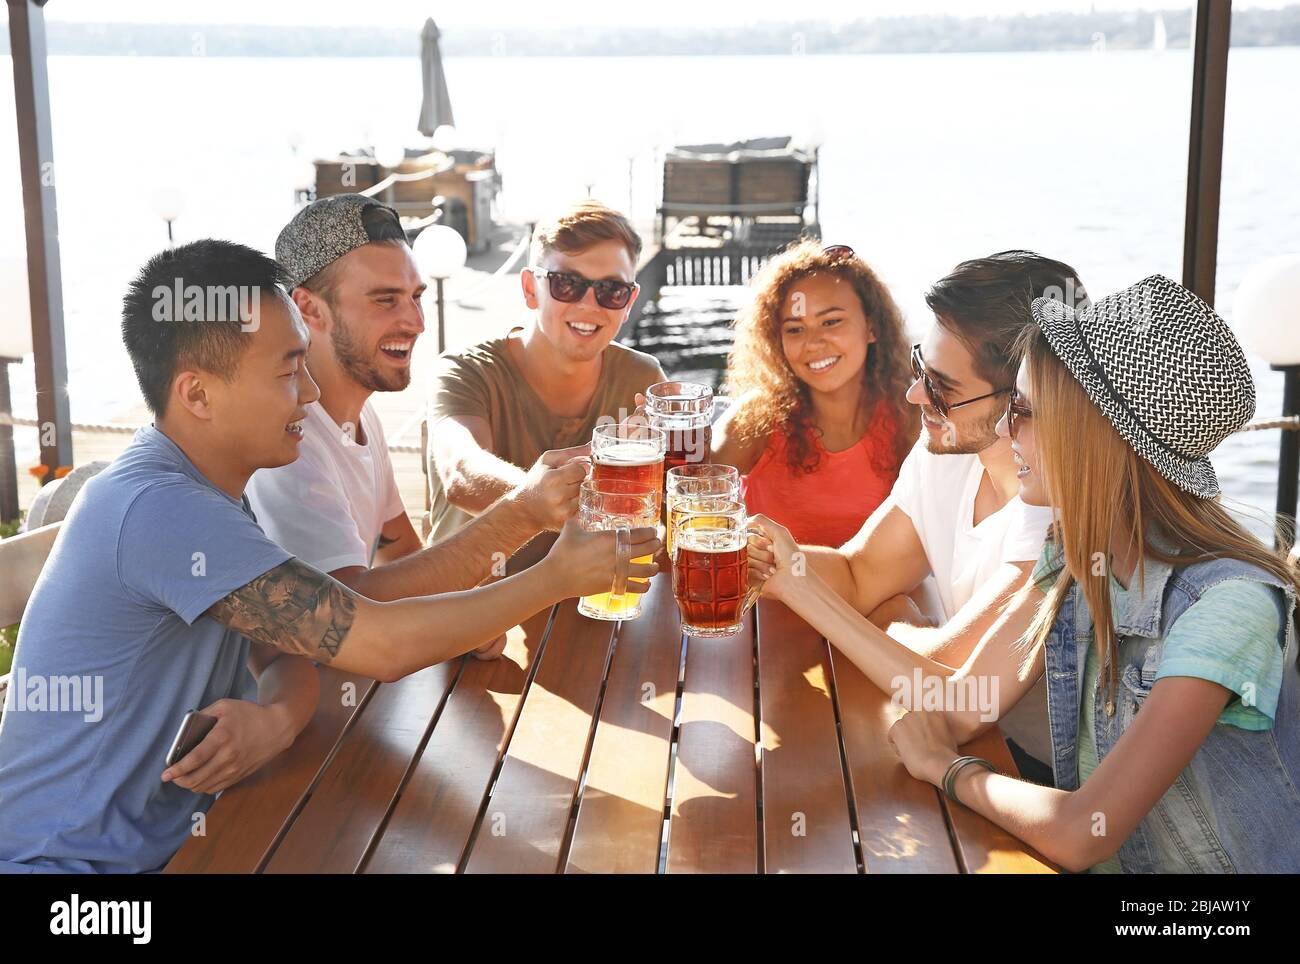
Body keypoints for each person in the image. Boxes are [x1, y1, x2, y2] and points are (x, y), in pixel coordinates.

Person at [0, 240, 658, 873]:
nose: (309, 394)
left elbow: (287, 643)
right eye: (288, 372)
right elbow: (378, 643)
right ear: (197, 395)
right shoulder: (166, 510)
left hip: (185, 843)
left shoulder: (209, 490)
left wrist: (280, 718)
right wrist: (555, 575)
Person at [882, 274, 1300, 872]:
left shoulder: (1229, 607)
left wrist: (948, 769)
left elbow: (1083, 832)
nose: (1003, 430)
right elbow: (963, 708)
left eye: (1022, 411)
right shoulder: (1078, 556)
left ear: (1096, 435)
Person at [749, 252, 1085, 781]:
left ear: (1025, 389)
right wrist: (758, 556)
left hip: (1036, 776)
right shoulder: (945, 453)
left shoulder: (1057, 514)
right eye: (918, 368)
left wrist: (897, 622)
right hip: (967, 750)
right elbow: (861, 576)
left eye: (942, 388)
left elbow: (954, 697)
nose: (913, 395)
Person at [248, 195, 585, 662]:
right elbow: (349, 609)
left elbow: (401, 553)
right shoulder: (286, 444)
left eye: (416, 297)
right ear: (309, 309)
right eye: (385, 300)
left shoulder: (359, 415)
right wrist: (525, 511)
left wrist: (464, 617)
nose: (416, 322)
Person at [425, 199, 667, 545]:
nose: (588, 305)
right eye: (567, 284)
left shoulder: (642, 378)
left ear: (629, 302)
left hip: (588, 597)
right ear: (530, 288)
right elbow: (461, 473)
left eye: (611, 291)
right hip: (474, 595)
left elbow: (676, 491)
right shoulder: (465, 371)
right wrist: (560, 501)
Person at [711, 241, 916, 548]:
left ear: (871, 327)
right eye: (795, 329)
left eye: (831, 322)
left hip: (880, 596)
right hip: (769, 594)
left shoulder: (910, 414)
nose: (813, 343)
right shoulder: (757, 417)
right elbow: (686, 498)